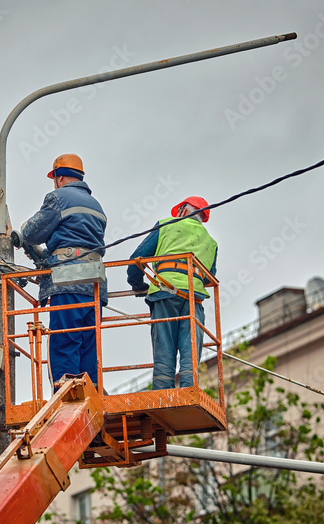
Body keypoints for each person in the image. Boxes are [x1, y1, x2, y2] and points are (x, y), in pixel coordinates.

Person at [17, 153, 108, 388]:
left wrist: (24, 229)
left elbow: (31, 233)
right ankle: (91, 394)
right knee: (89, 344)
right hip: (95, 284)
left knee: (65, 339)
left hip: (69, 280)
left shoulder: (58, 198)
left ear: (58, 177)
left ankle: (66, 393)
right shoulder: (96, 205)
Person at [127, 196, 218, 390]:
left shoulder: (166, 225)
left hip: (165, 294)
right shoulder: (211, 243)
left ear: (184, 210)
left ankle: (162, 393)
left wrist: (137, 285)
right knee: (190, 351)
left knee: (164, 349)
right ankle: (189, 391)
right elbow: (210, 277)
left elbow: (136, 259)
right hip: (194, 299)